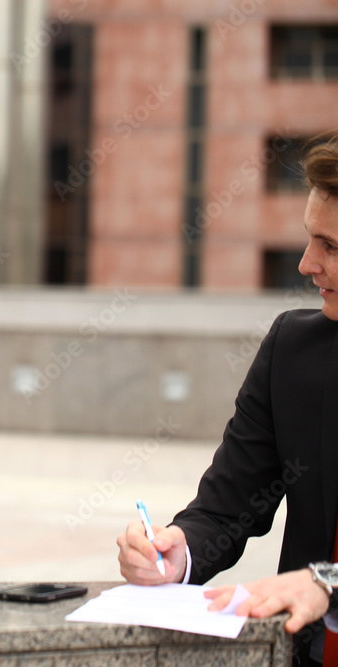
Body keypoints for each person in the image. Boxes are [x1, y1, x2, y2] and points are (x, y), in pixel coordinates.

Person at [117, 134, 338, 665]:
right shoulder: (291, 349)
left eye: (331, 246)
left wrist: (328, 583)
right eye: (311, 240)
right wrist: (177, 554)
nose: (307, 264)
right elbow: (228, 508)